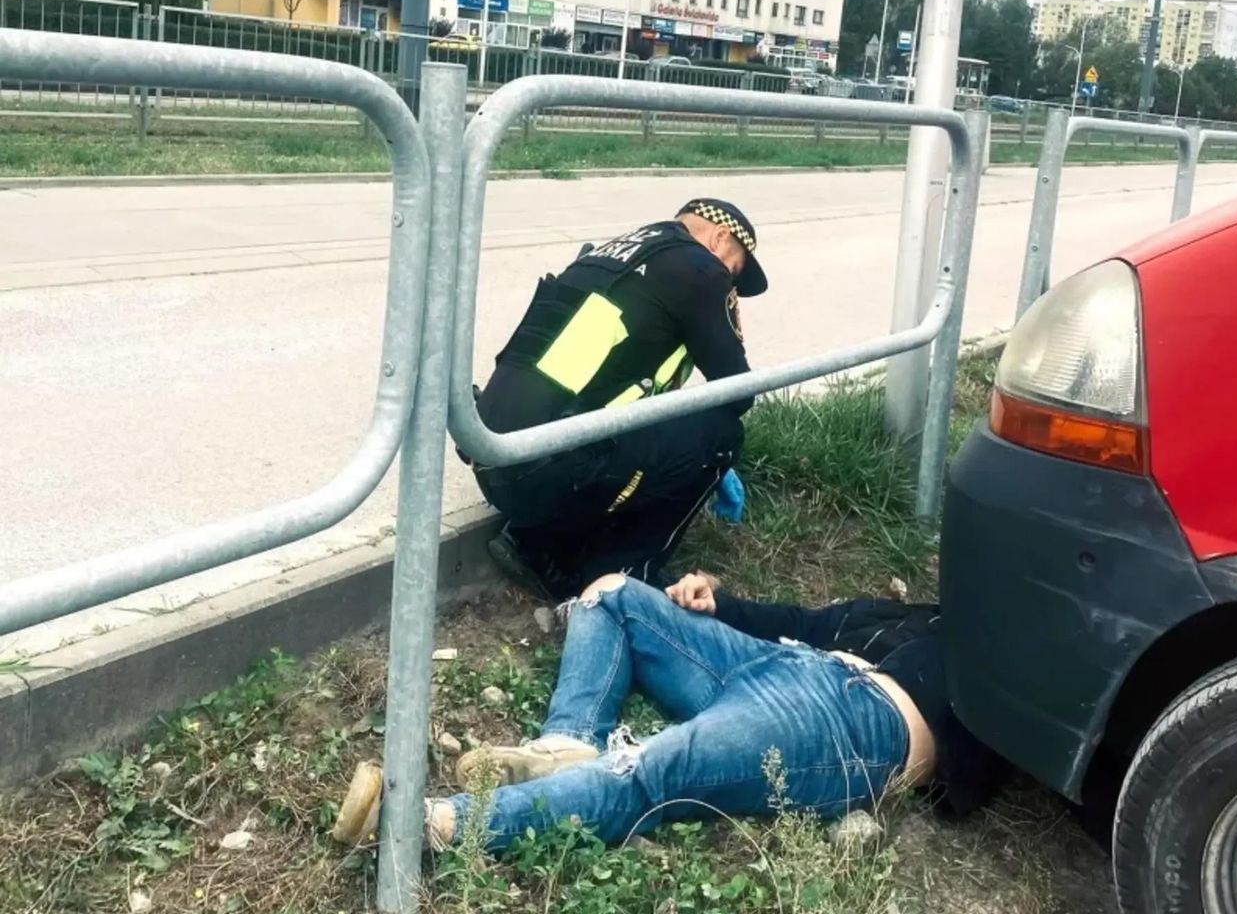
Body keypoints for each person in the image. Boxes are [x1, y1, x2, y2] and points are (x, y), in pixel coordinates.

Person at [332, 572, 1005, 853]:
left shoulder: (1024, 662)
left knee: (653, 771)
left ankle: (433, 824)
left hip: (849, 725)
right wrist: (713, 596)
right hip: (778, 663)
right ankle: (566, 742)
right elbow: (794, 620)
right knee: (615, 596)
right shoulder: (905, 612)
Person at [465, 199, 768, 599]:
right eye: (735, 267)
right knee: (722, 434)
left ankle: (536, 543)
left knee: (623, 417)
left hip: (493, 458)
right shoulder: (700, 268)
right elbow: (737, 393)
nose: (731, 281)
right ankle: (619, 583)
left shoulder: (612, 254)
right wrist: (724, 302)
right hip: (544, 476)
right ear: (719, 236)